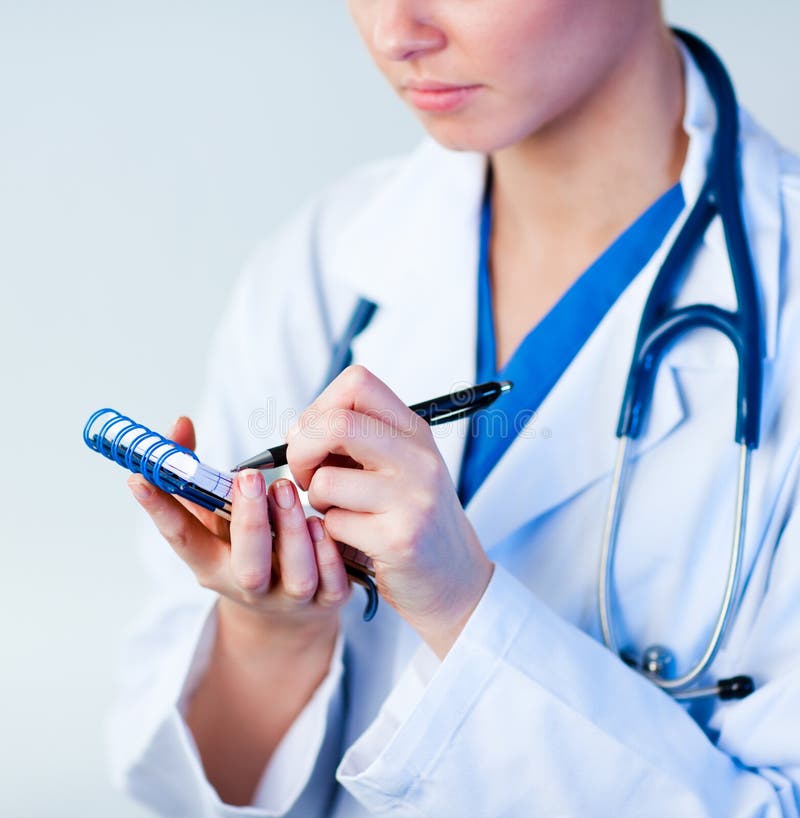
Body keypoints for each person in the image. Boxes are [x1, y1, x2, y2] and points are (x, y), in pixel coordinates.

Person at [115, 1, 800, 816]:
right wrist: (272, 634)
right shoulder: (326, 263)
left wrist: (462, 610)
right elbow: (193, 795)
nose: (395, 33)